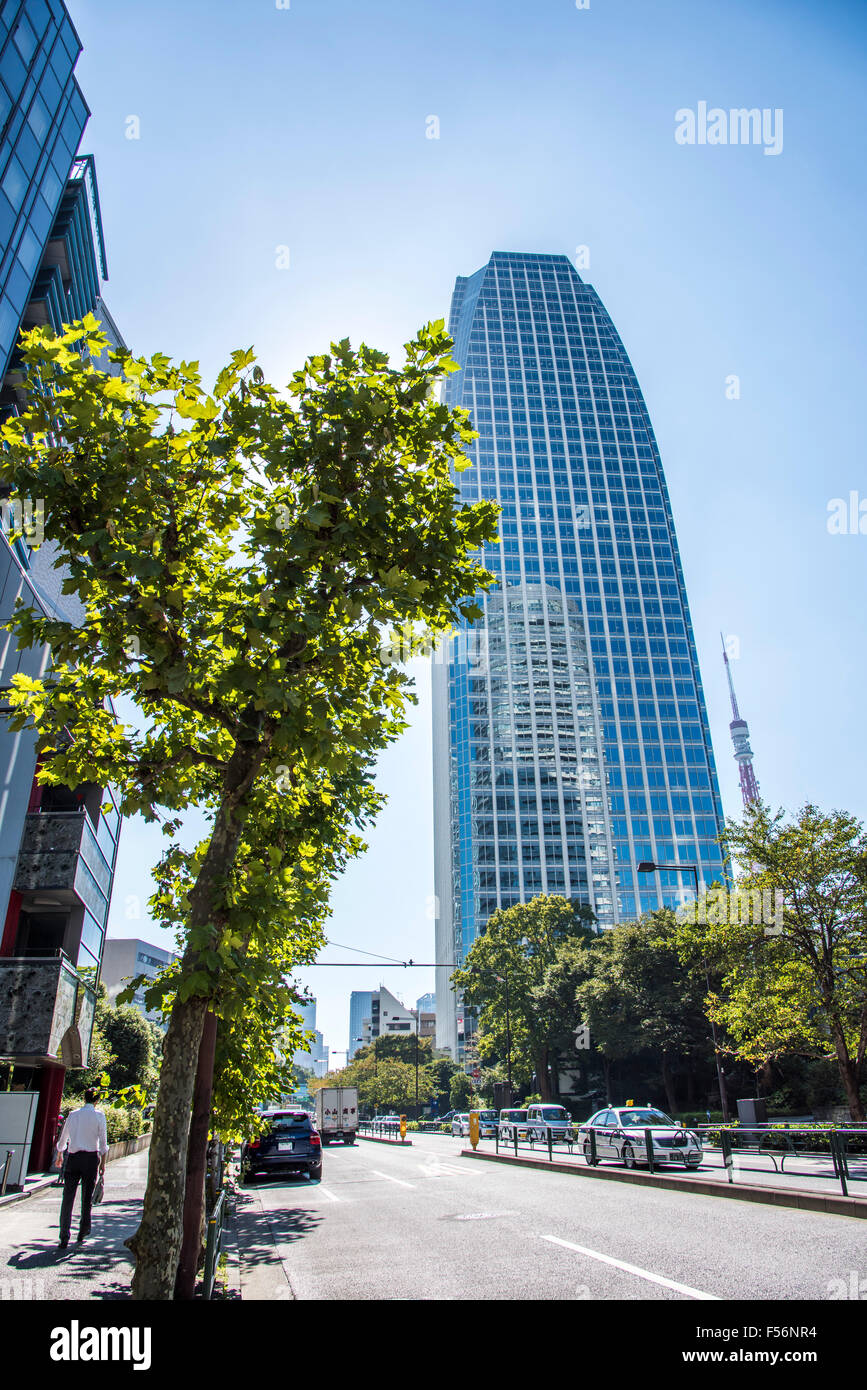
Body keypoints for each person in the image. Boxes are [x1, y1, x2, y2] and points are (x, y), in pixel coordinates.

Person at [55, 1087, 108, 1248]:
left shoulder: (73, 1115)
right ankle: (83, 1230)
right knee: (87, 1198)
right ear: (97, 1100)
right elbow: (103, 1143)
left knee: (68, 1197)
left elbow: (63, 1138)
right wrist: (103, 1164)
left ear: (84, 1098)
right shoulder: (99, 1116)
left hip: (73, 1158)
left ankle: (64, 1234)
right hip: (91, 1158)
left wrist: (60, 1155)